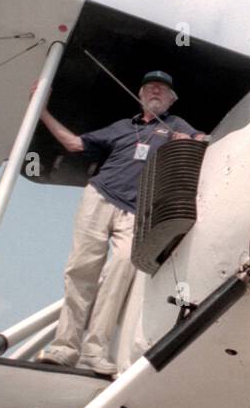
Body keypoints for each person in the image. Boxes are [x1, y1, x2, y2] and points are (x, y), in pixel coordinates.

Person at [36, 70, 207, 376]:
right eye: (150, 88)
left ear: (172, 100)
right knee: (81, 270)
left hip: (136, 211)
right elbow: (75, 144)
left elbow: (204, 141)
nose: (156, 92)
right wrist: (42, 111)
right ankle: (64, 348)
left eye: (163, 90)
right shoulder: (121, 128)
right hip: (100, 197)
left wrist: (193, 140)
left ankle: (95, 352)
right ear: (140, 95)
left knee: (122, 270)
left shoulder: (176, 125)